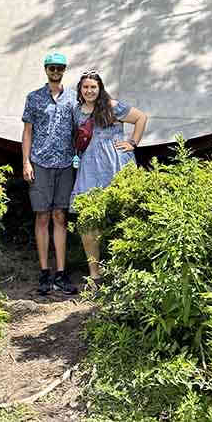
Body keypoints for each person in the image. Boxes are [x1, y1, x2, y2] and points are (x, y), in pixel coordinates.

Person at [70, 70, 148, 284]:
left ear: (99, 88)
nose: (89, 90)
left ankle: (123, 270)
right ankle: (94, 273)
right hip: (89, 165)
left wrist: (132, 142)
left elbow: (141, 117)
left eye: (93, 87)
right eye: (85, 87)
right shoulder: (77, 111)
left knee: (121, 213)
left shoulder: (112, 106)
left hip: (115, 162)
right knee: (88, 216)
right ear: (80, 89)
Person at [22, 51, 79, 296]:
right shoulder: (34, 98)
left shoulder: (74, 99)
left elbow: (82, 129)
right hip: (41, 163)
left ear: (64, 70)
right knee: (42, 216)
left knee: (60, 216)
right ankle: (45, 272)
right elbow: (27, 132)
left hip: (65, 164)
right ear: (46, 70)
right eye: (52, 68)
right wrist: (26, 162)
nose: (55, 72)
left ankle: (61, 273)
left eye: (59, 68)